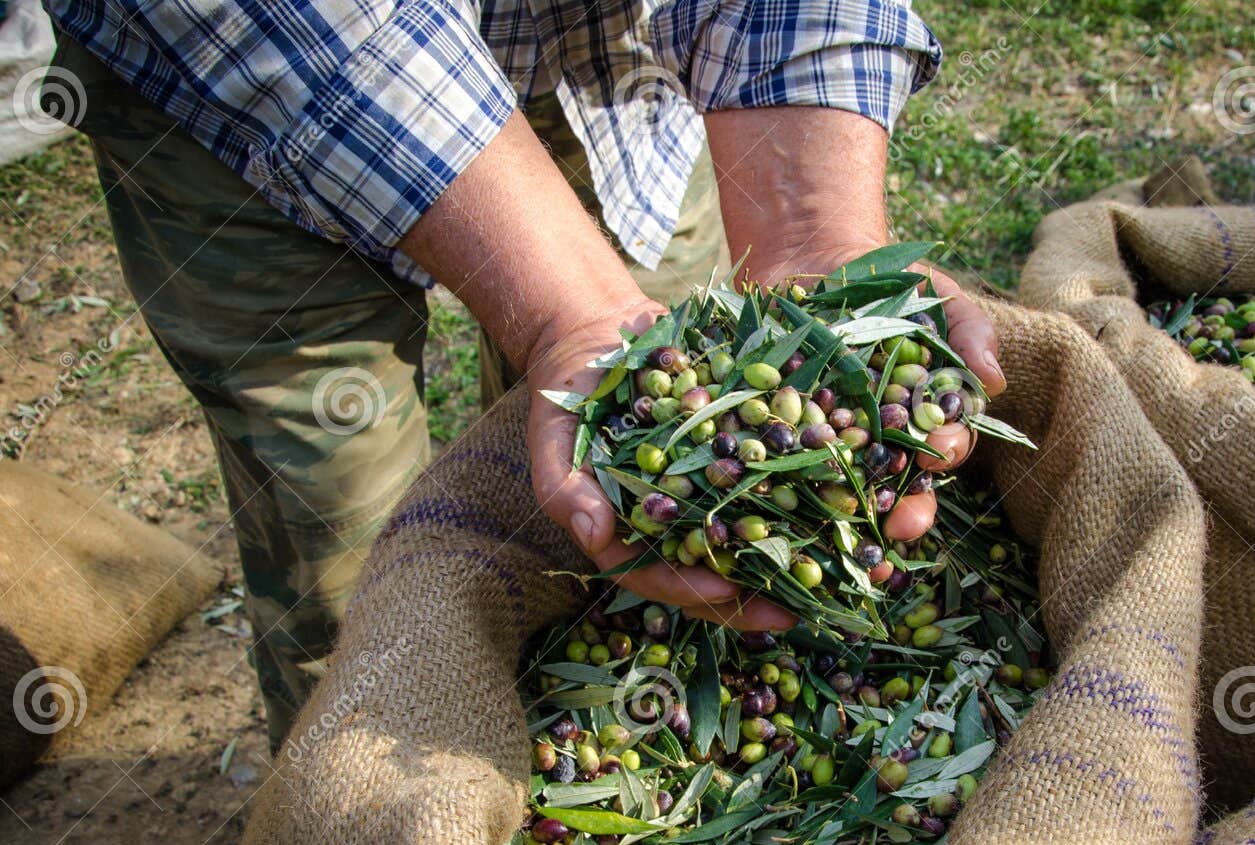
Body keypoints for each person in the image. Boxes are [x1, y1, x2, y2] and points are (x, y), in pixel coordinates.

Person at [42, 0, 1004, 751]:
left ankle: (594, 741)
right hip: (239, 96)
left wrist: (816, 235)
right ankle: (370, 810)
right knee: (351, 560)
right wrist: (564, 310)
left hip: (614, 79)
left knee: (623, 515)